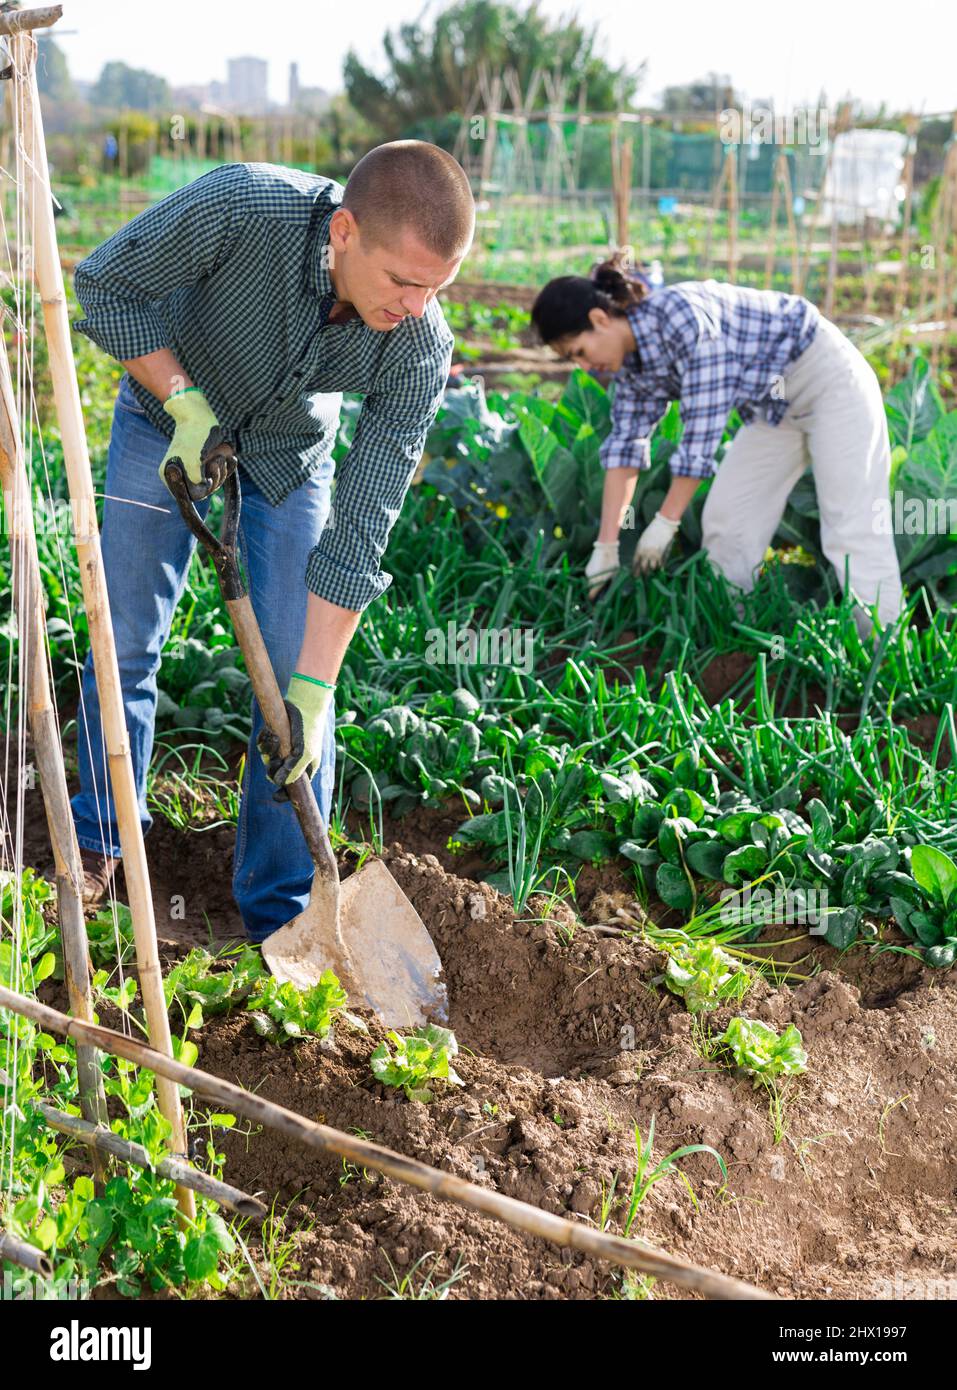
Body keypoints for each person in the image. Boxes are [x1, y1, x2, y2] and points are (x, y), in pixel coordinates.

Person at [70, 142, 474, 941]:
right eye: (403, 282)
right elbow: (106, 285)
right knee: (126, 643)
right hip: (164, 422)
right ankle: (97, 844)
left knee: (291, 687)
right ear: (346, 231)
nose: (418, 306)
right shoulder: (243, 207)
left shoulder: (418, 344)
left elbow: (361, 528)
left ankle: (283, 912)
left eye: (438, 287)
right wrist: (185, 404)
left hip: (289, 459)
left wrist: (316, 692)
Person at [531, 259, 903, 633]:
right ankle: (738, 635)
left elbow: (702, 434)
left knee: (851, 523)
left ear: (599, 319)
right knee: (728, 521)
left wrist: (665, 523)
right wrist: (606, 547)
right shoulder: (630, 368)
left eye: (579, 351)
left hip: (825, 376)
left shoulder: (681, 317)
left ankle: (880, 650)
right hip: (773, 407)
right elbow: (625, 451)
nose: (583, 366)